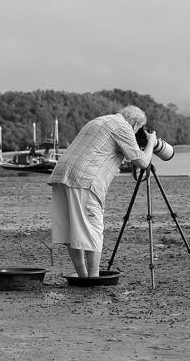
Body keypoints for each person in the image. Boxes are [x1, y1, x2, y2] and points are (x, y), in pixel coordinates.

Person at [49, 105, 156, 277]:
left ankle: (83, 276)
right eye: (138, 130)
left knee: (71, 230)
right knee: (92, 228)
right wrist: (151, 142)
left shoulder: (99, 120)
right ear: (134, 123)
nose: (137, 133)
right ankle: (93, 278)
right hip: (85, 179)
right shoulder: (123, 126)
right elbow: (143, 162)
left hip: (61, 175)